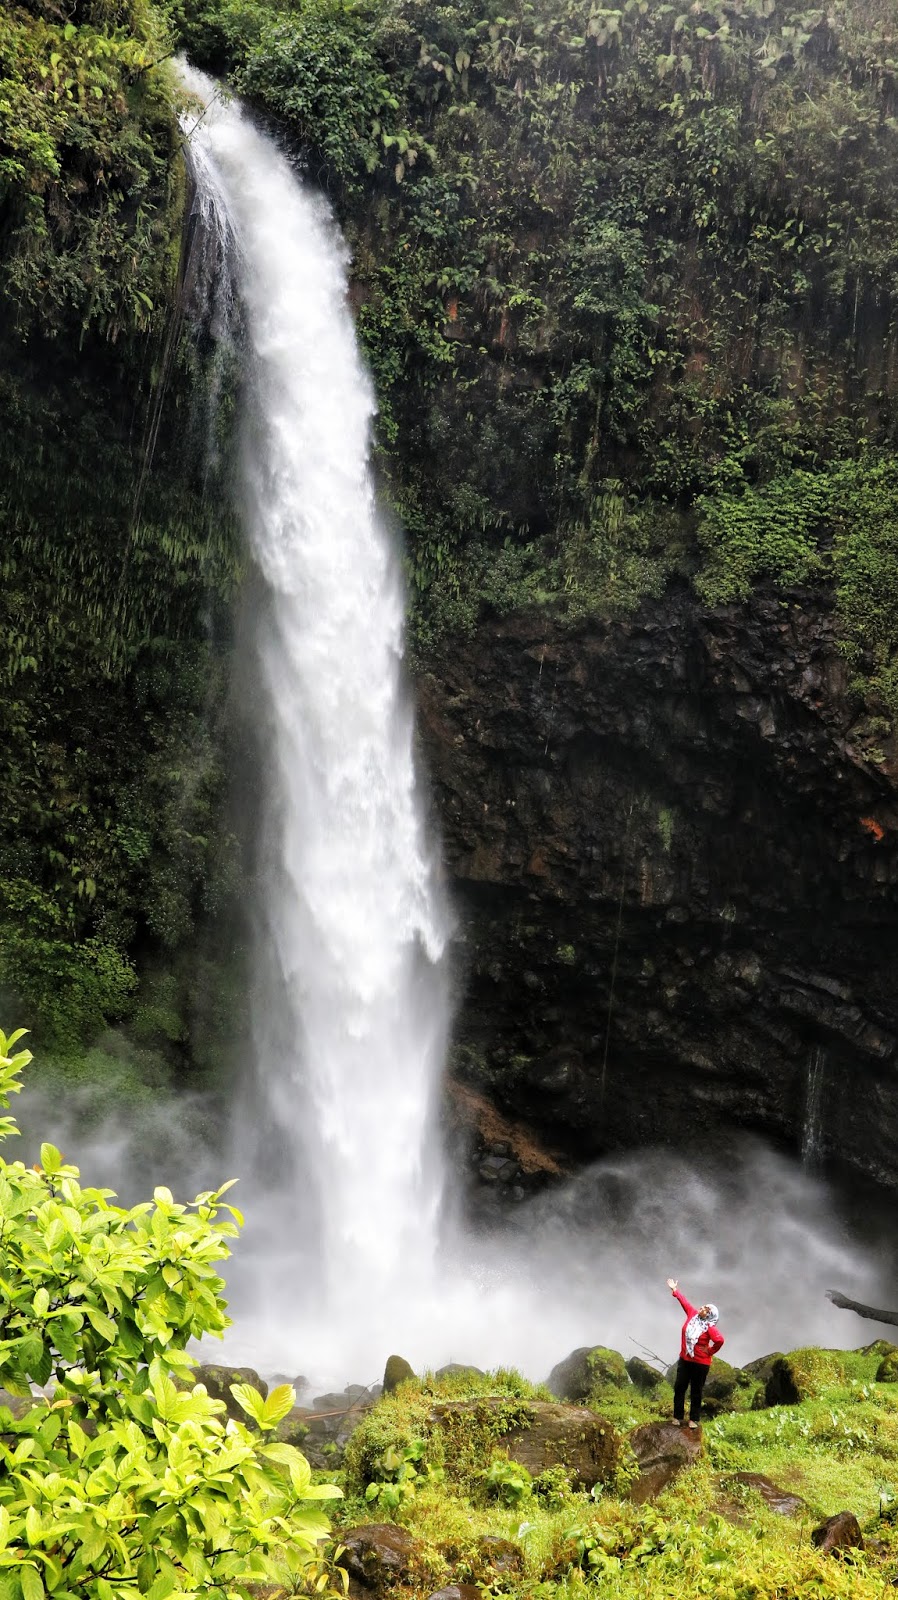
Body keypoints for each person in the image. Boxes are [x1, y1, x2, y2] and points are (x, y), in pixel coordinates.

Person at [665, 1277, 724, 1429]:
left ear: (709, 1316)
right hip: (685, 1359)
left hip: (700, 1363)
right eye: (704, 1306)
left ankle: (693, 1419)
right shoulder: (692, 1315)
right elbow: (684, 1302)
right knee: (679, 1387)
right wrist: (674, 1290)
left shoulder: (709, 1327)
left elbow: (720, 1340)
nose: (703, 1308)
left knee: (696, 1390)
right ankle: (677, 1417)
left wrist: (710, 1351)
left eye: (706, 1309)